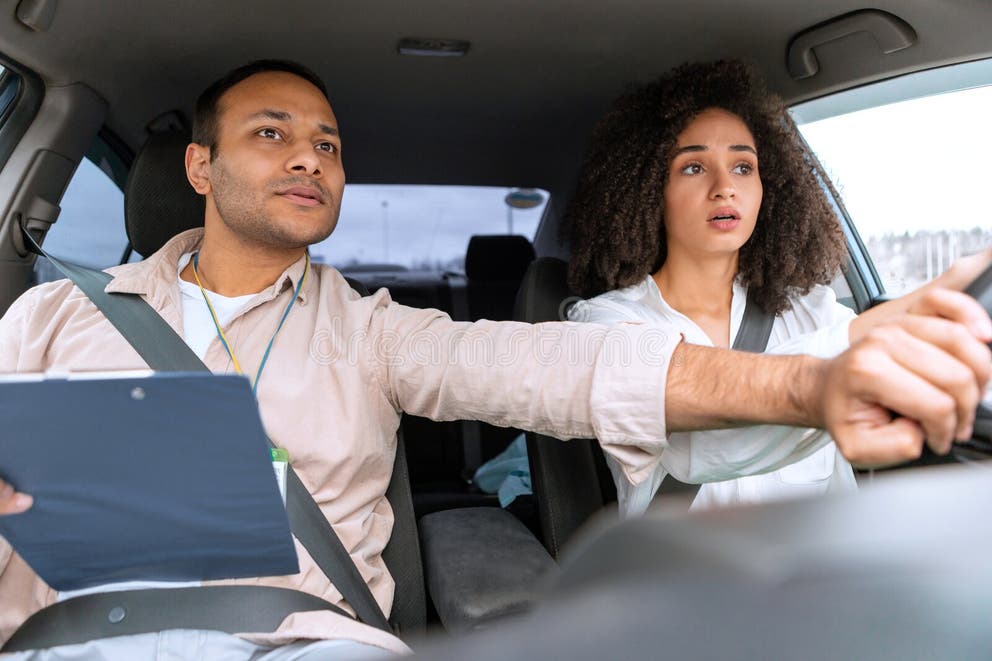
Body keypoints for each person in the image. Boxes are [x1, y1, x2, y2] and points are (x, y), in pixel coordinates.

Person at [0, 59, 989, 658]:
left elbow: (566, 369)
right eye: (272, 134)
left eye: (329, 145)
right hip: (71, 635)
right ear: (199, 166)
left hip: (297, 639)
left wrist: (812, 380)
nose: (309, 157)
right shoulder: (53, 314)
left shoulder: (374, 330)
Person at [565, 59, 992, 515]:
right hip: (679, 563)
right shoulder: (607, 324)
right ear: (649, 189)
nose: (725, 187)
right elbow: (698, 441)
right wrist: (924, 301)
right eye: (693, 167)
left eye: (743, 166)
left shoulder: (812, 311)